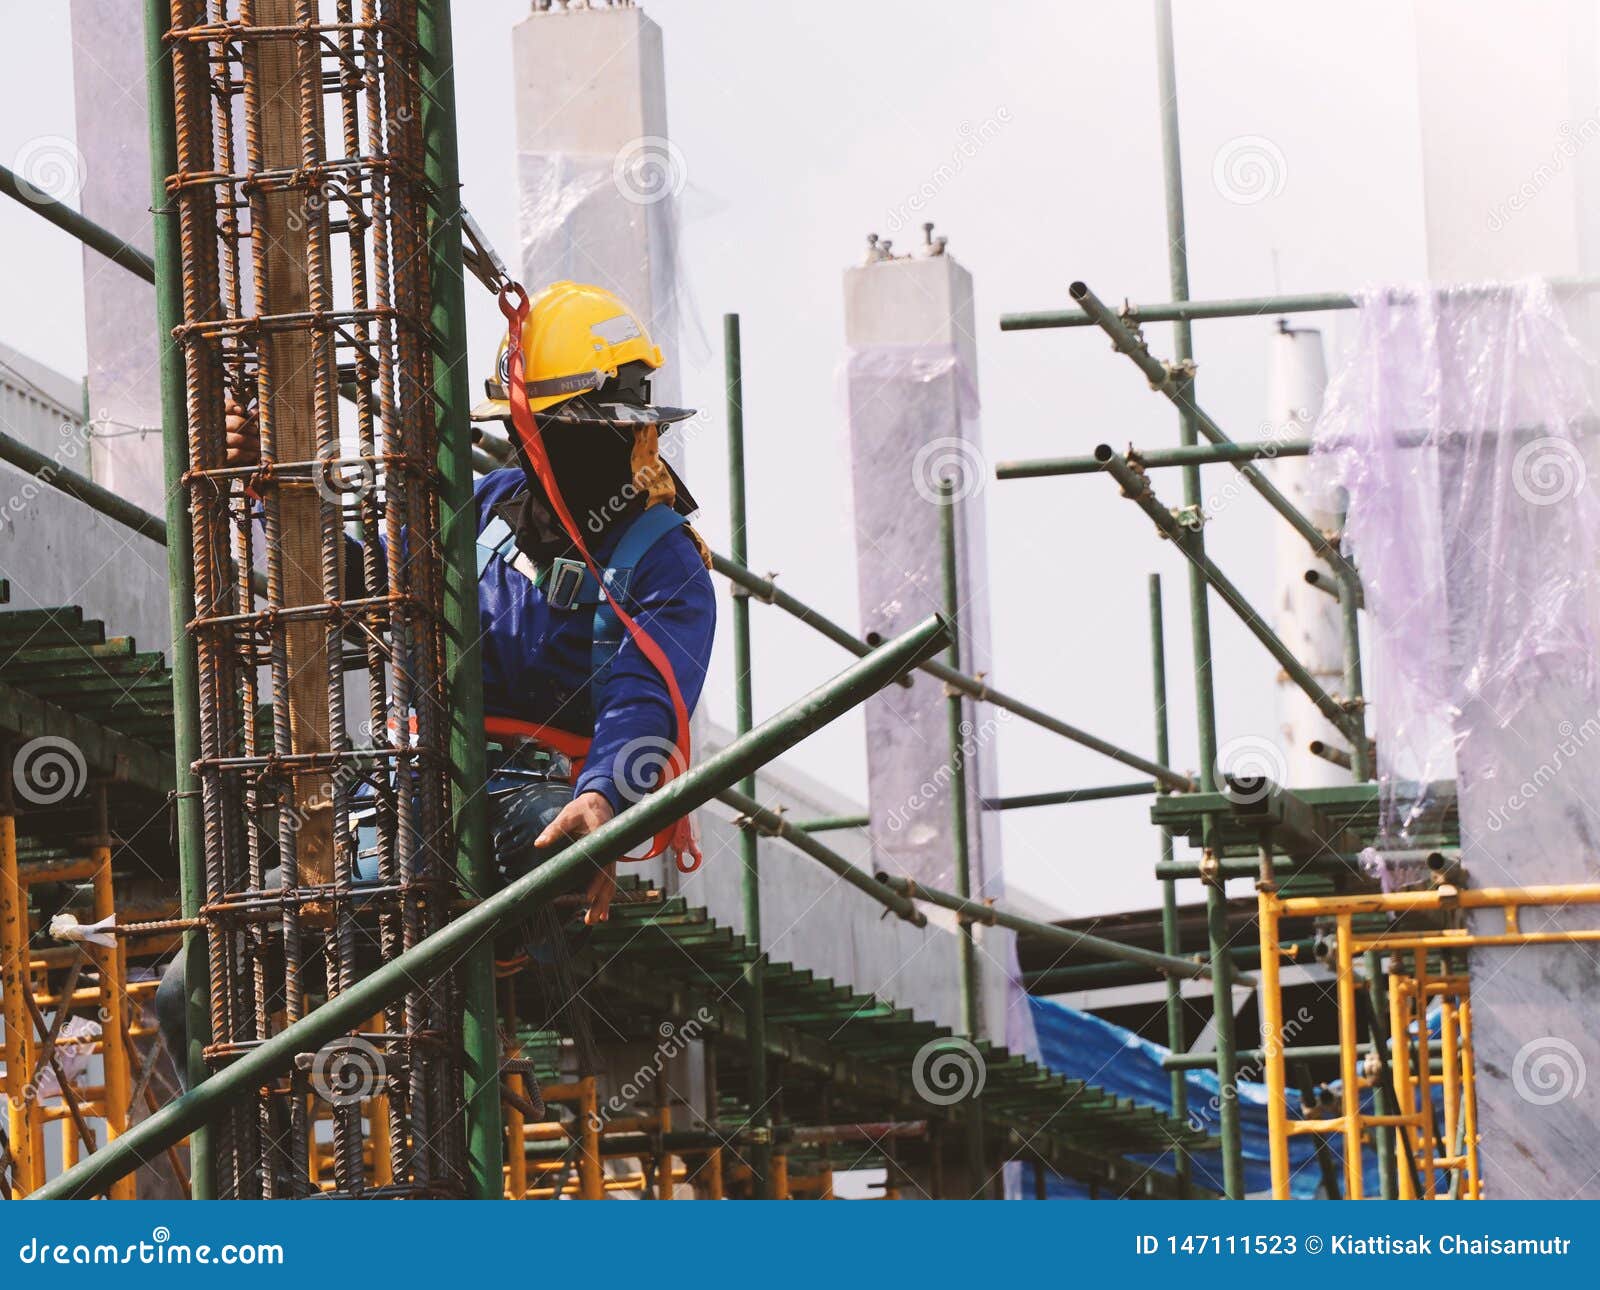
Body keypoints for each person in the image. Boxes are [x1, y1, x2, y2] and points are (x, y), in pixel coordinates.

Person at [157, 280, 716, 1077]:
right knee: (192, 993)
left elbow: (645, 699)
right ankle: (258, 1199)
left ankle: (499, 930)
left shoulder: (663, 562)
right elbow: (357, 577)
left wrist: (603, 803)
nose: (556, 453)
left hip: (529, 803)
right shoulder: (483, 507)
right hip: (399, 794)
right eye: (545, 434)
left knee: (553, 841)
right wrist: (267, 485)